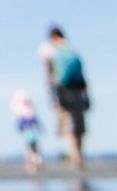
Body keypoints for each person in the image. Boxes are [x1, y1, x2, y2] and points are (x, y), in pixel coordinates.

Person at [38, 26, 90, 168]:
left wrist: (51, 93)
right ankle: (80, 155)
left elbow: (48, 72)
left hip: (63, 90)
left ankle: (75, 157)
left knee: (68, 124)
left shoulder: (50, 49)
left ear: (52, 36)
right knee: (79, 124)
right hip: (78, 90)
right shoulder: (71, 49)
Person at [10, 90, 43, 172]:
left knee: (30, 150)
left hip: (28, 134)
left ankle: (32, 164)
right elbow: (37, 123)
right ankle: (36, 163)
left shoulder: (23, 114)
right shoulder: (32, 112)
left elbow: (20, 125)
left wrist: (20, 129)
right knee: (35, 149)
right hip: (34, 134)